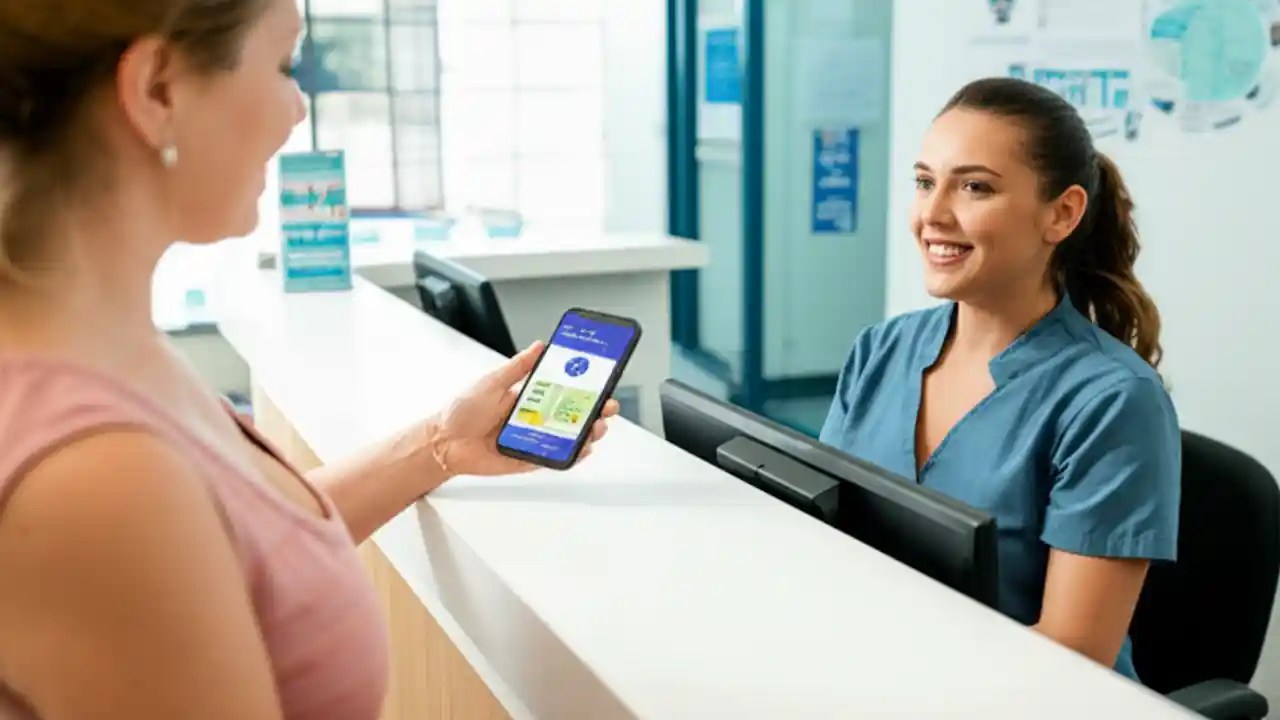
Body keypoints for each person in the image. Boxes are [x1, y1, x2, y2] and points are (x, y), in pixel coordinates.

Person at [0, 1, 618, 718]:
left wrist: (439, 446)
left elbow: (244, 557)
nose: (298, 110)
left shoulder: (97, 350)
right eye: (284, 65)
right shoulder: (97, 478)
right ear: (158, 89)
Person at [819, 77, 1179, 682]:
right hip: (876, 674)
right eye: (925, 182)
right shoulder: (880, 350)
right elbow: (817, 535)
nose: (932, 215)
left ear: (1061, 214)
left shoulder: (1113, 400)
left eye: (975, 187)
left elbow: (1073, 656)